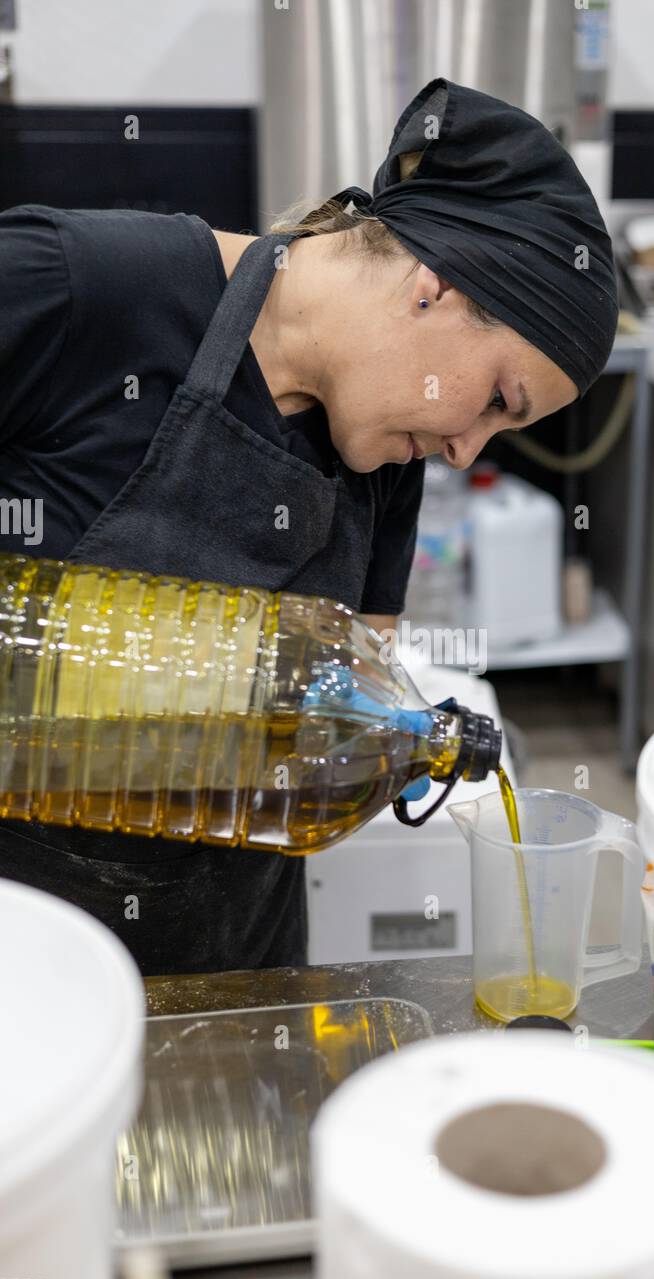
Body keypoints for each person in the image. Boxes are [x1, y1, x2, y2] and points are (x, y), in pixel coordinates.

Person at [0, 77, 618, 976]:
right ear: (432, 289)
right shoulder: (79, 289)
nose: (463, 450)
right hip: (28, 968)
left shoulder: (386, 457)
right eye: (495, 401)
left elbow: (328, 723)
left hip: (233, 969)